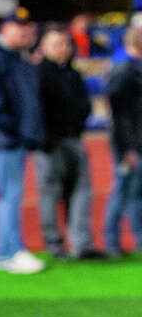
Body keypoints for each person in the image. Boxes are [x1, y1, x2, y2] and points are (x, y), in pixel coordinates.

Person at [0, 8, 46, 274]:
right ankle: (9, 251)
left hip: (12, 136)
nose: (26, 32)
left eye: (29, 27)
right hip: (3, 138)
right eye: (19, 27)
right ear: (5, 28)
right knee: (9, 195)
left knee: (10, 194)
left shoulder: (18, 56)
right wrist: (15, 130)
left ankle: (7, 251)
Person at [35, 29, 99, 259]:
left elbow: (84, 105)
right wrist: (44, 139)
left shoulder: (73, 73)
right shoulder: (39, 74)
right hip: (50, 144)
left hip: (74, 139)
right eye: (56, 44)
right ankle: (54, 245)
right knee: (51, 194)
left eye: (65, 43)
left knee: (82, 191)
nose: (62, 48)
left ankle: (81, 245)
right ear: (44, 47)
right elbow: (37, 110)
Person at [102, 25, 142, 257]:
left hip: (135, 143)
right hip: (129, 145)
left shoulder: (131, 69)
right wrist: (127, 147)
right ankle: (111, 241)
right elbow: (119, 115)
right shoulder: (125, 71)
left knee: (135, 192)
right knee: (124, 190)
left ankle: (136, 238)